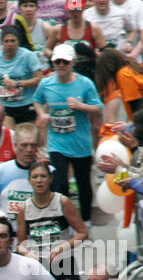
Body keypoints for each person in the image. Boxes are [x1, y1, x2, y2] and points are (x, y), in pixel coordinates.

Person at [33, 43, 103, 221]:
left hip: (80, 143)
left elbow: (97, 108)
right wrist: (42, 114)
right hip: (57, 142)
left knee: (83, 184)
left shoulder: (85, 84)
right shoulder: (46, 83)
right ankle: (63, 222)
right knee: (60, 183)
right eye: (57, 62)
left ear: (72, 63)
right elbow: (37, 100)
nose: (61, 65)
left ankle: (85, 221)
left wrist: (81, 106)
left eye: (65, 62)